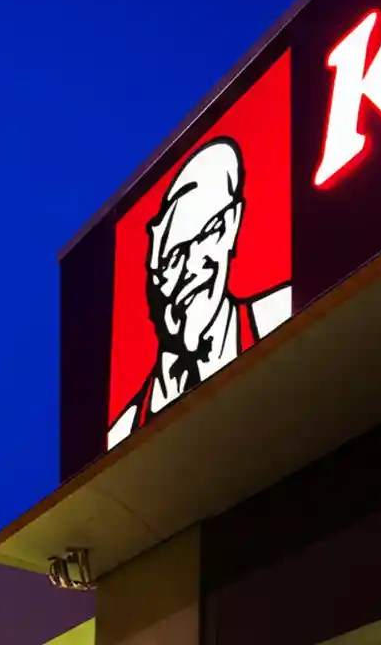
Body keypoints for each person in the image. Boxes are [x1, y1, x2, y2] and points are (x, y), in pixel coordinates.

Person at [107, 137, 291, 449]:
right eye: (176, 255)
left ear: (232, 226)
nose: (195, 264)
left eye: (210, 233)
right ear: (156, 275)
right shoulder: (122, 433)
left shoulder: (284, 312)